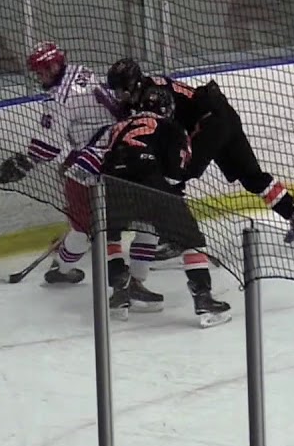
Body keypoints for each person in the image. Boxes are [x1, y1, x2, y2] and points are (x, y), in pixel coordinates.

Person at [66, 83, 233, 328]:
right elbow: (176, 175)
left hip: (113, 184)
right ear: (167, 108)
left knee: (112, 235)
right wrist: (172, 201)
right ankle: (203, 299)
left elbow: (99, 155)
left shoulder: (119, 126)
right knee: (191, 240)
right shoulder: (172, 127)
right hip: (147, 181)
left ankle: (119, 291)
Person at [106, 58, 294, 245]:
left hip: (209, 124)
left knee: (176, 172)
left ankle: (178, 235)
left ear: (135, 83)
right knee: (250, 175)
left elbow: (172, 135)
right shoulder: (150, 89)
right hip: (222, 113)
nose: (119, 95)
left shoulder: (152, 97)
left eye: (121, 90)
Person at [0, 42, 127, 286]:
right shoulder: (81, 71)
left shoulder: (59, 99)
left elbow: (50, 144)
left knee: (83, 222)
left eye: (42, 70)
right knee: (66, 170)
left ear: (55, 65)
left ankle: (63, 266)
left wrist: (24, 163)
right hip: (121, 141)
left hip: (96, 154)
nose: (39, 76)